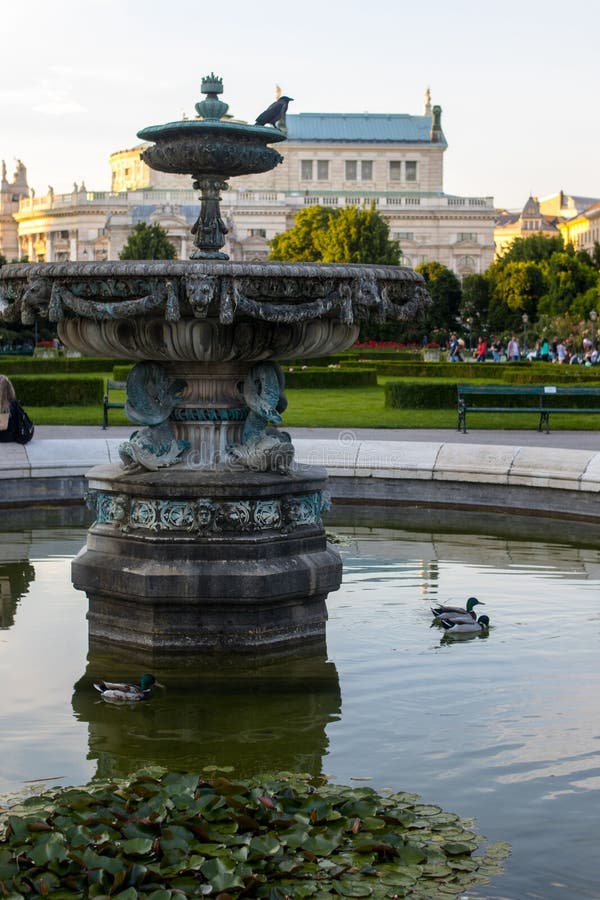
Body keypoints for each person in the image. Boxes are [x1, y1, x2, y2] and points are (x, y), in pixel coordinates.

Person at [0, 375, 34, 444]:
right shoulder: (11, 401)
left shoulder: (5, 405)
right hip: (12, 432)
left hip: (8, 435)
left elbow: (3, 426)